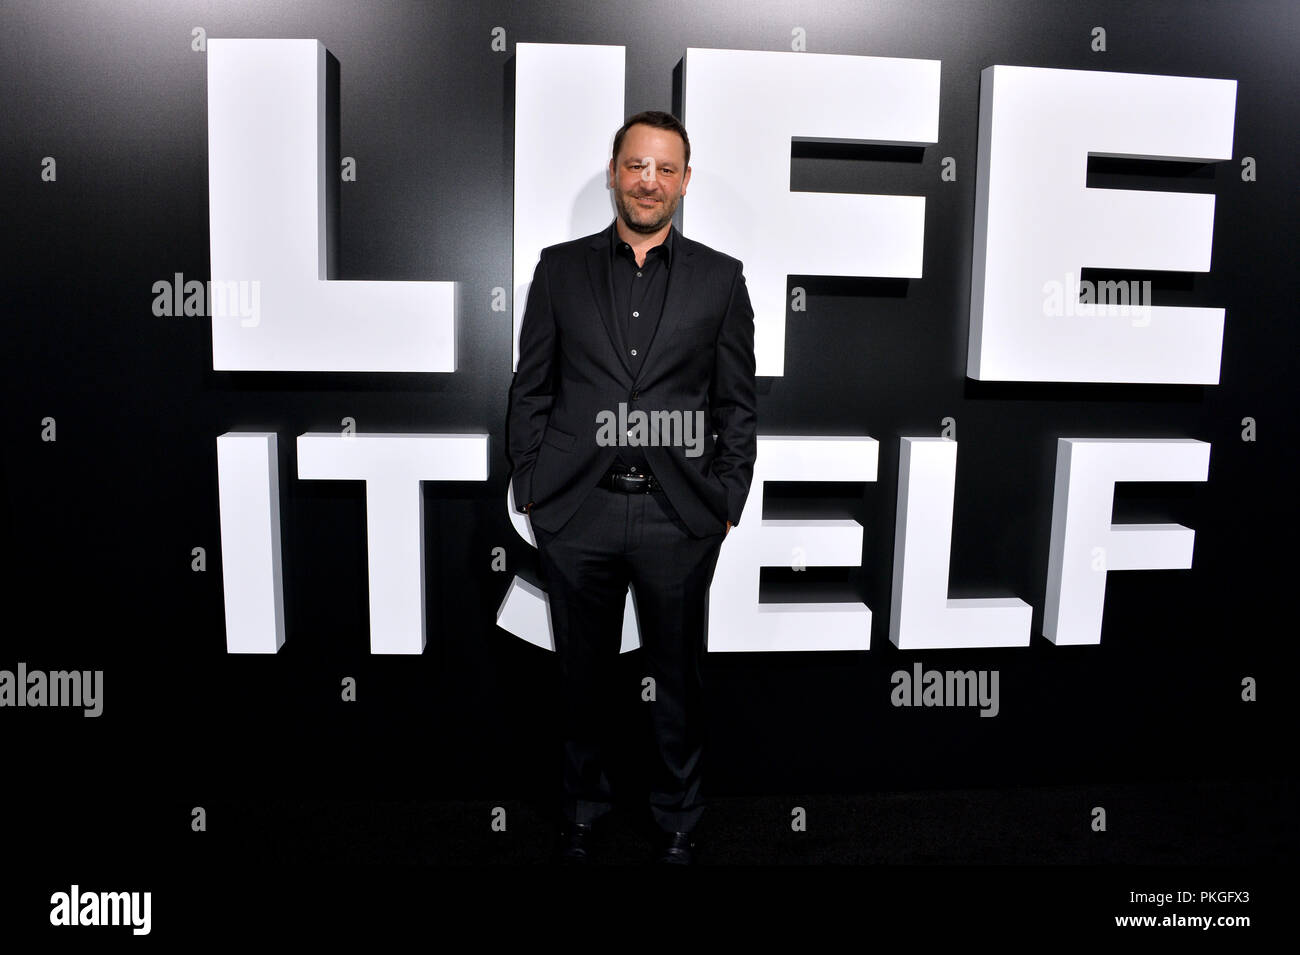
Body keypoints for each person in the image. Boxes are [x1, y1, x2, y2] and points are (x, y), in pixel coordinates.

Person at [507, 110, 757, 864]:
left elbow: (736, 404)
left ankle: (679, 815)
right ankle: (583, 805)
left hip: (677, 517)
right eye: (636, 165)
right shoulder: (558, 269)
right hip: (577, 512)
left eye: (665, 168)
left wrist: (724, 500)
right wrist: (535, 486)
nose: (649, 180)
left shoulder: (722, 278)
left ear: (685, 179)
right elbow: (531, 388)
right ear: (616, 171)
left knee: (677, 682)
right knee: (581, 679)